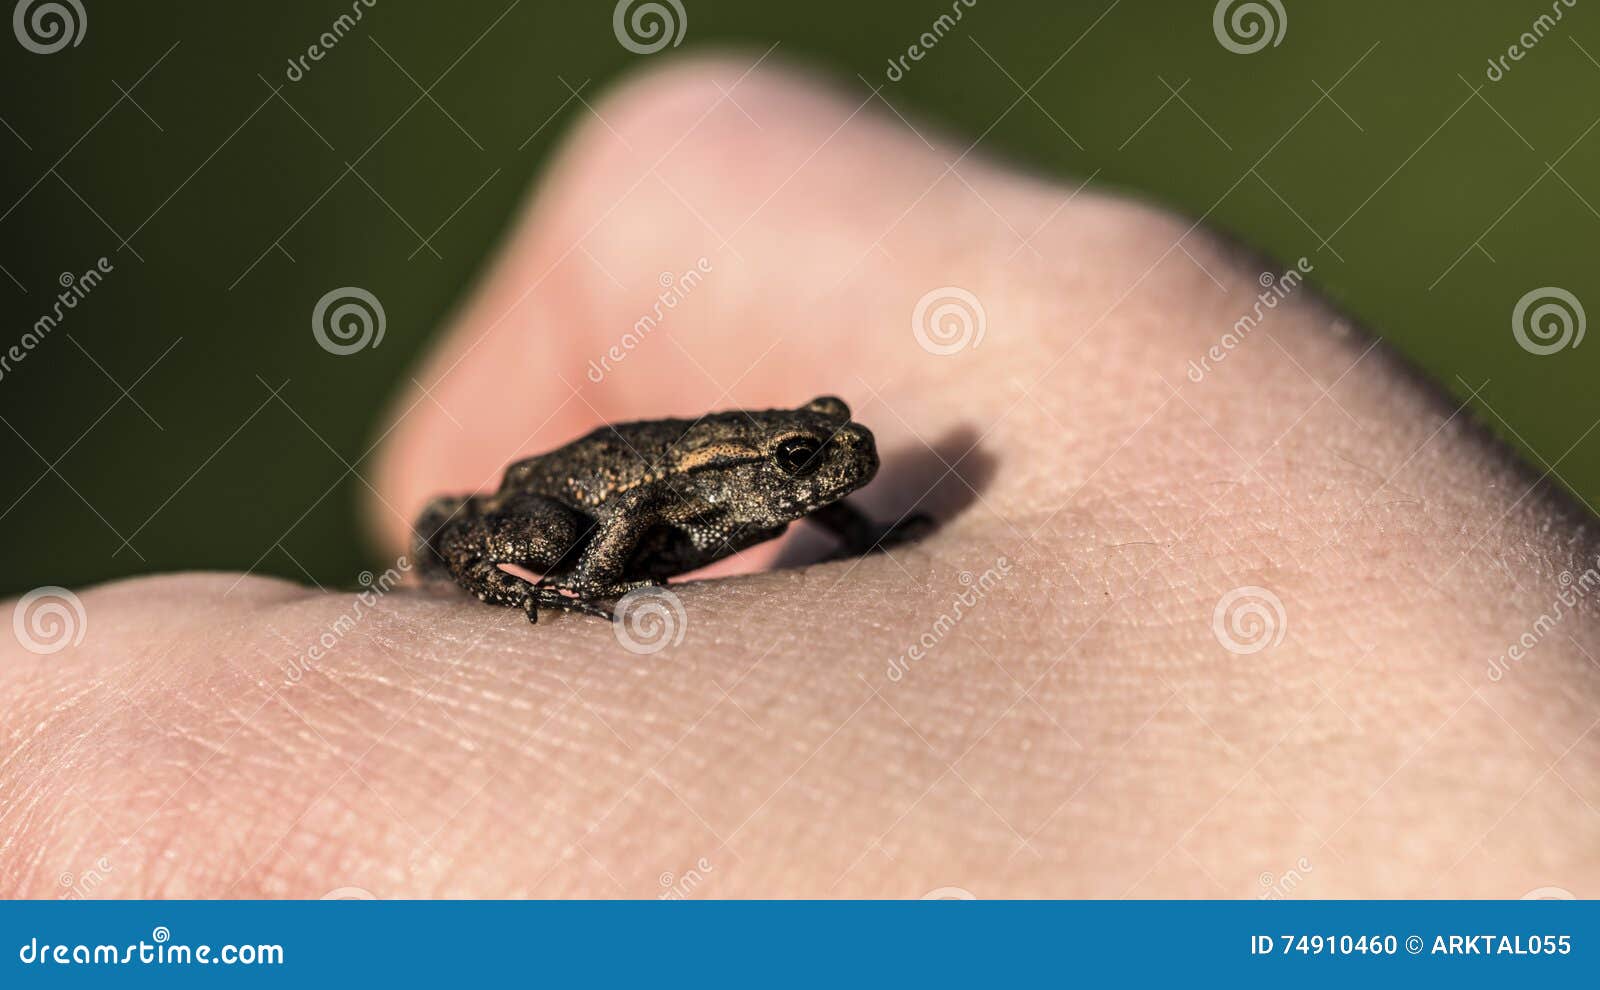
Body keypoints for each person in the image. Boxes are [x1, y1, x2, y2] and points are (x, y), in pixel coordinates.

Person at [4, 58, 1594, 898]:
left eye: (823, 451)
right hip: (571, 496)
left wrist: (866, 521)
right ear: (757, 467)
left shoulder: (782, 484)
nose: (828, 466)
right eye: (804, 458)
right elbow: (633, 509)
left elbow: (799, 491)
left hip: (636, 478)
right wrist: (559, 582)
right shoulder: (707, 490)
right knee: (497, 517)